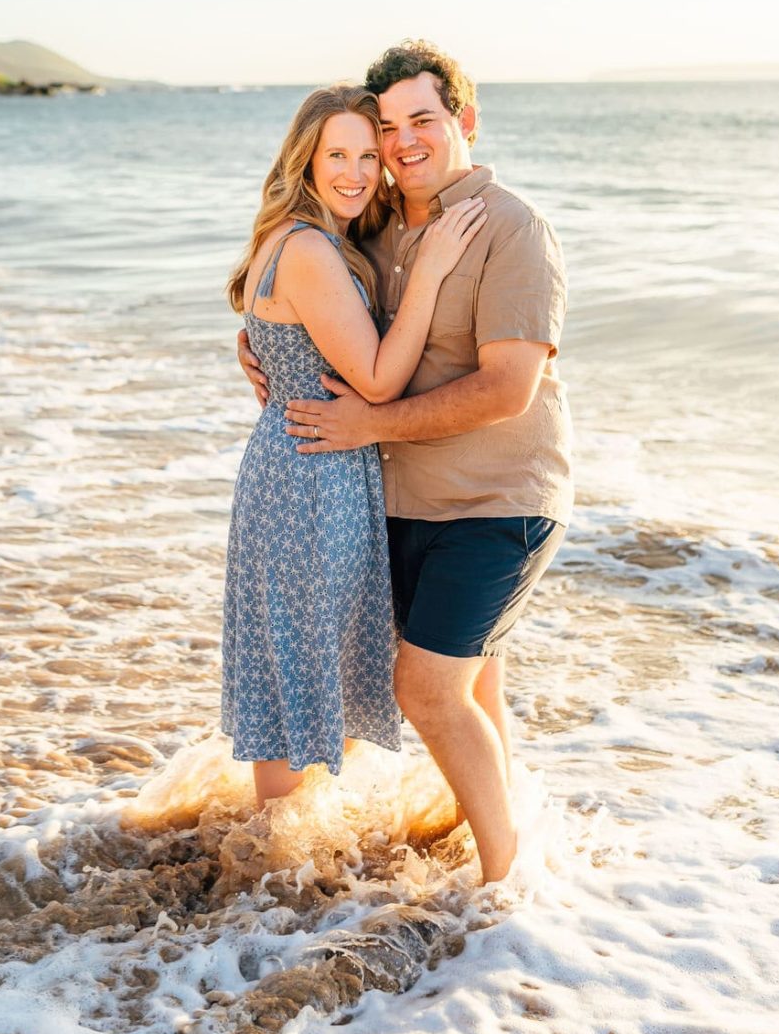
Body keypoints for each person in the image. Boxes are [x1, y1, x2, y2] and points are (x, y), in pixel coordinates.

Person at [238, 43, 573, 881]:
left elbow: (507, 389)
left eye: (420, 120)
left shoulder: (510, 227)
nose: (398, 143)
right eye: (385, 127)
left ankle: (506, 885)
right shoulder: (378, 226)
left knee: (426, 690)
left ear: (462, 119)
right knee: (476, 684)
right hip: (395, 499)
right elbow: (311, 305)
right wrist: (263, 348)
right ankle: (491, 827)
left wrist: (369, 421)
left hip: (494, 502)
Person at [223, 82, 487, 809]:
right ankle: (274, 878)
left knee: (304, 661)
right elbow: (374, 380)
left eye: (369, 155)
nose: (356, 172)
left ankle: (281, 867)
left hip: (303, 466)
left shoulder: (307, 241)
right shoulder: (309, 248)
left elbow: (281, 336)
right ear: (304, 160)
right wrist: (430, 270)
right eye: (336, 154)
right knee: (302, 669)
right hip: (313, 476)